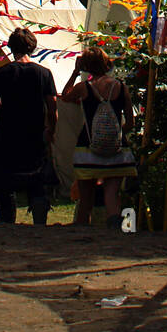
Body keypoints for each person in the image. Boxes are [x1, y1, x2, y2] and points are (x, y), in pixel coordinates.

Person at [0, 28, 57, 225]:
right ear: (32, 47)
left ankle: (7, 224)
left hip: (8, 135)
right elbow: (52, 108)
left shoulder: (2, 73)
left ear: (10, 47)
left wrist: (2, 104)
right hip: (35, 135)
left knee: (5, 183)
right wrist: (51, 130)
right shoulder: (44, 74)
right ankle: (40, 224)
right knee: (37, 181)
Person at [60, 47, 135, 228]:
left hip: (87, 148)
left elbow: (65, 96)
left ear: (86, 66)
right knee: (112, 196)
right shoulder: (121, 87)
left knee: (86, 200)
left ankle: (82, 231)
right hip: (117, 152)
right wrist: (114, 135)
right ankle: (115, 228)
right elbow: (130, 123)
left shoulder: (83, 88)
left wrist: (75, 72)